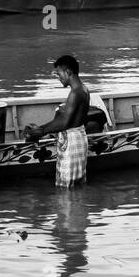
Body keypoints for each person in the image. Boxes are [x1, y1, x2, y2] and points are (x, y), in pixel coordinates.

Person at [24, 54, 91, 186]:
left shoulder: (75, 93)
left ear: (68, 72)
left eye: (59, 74)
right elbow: (72, 118)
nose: (58, 78)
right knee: (76, 184)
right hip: (79, 137)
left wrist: (41, 130)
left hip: (72, 141)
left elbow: (65, 122)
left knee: (66, 187)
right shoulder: (83, 89)